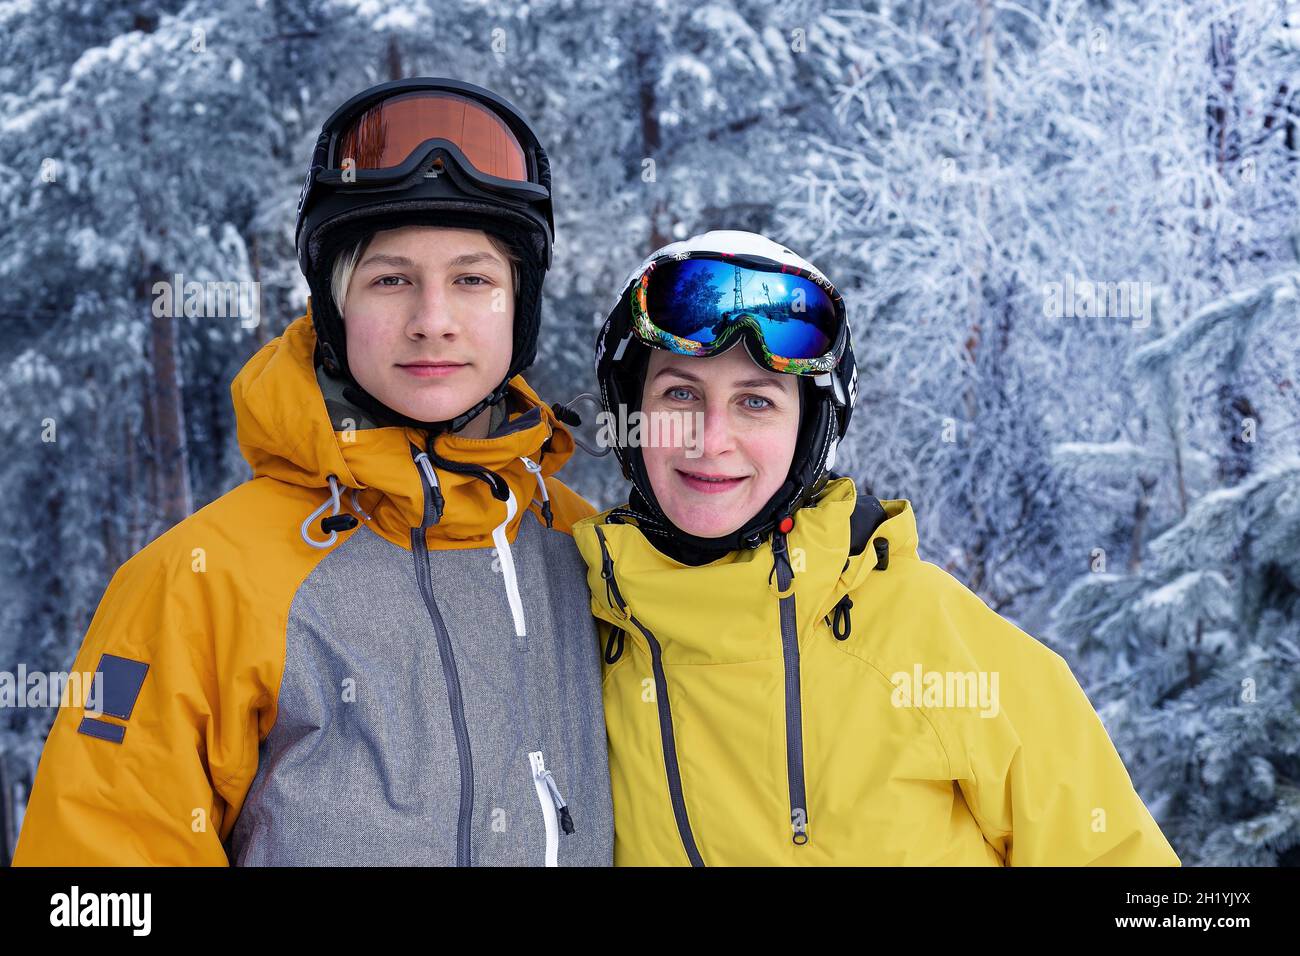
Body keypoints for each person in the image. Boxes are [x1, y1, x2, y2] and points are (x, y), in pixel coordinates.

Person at [13, 78, 613, 866]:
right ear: (333, 308)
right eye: (390, 279)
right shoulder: (199, 583)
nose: (432, 318)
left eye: (473, 279)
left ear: (520, 307)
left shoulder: (586, 550)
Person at [571, 229, 1181, 866]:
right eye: (680, 395)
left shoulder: (928, 641)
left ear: (811, 432)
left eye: (755, 401)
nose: (712, 438)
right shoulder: (579, 631)